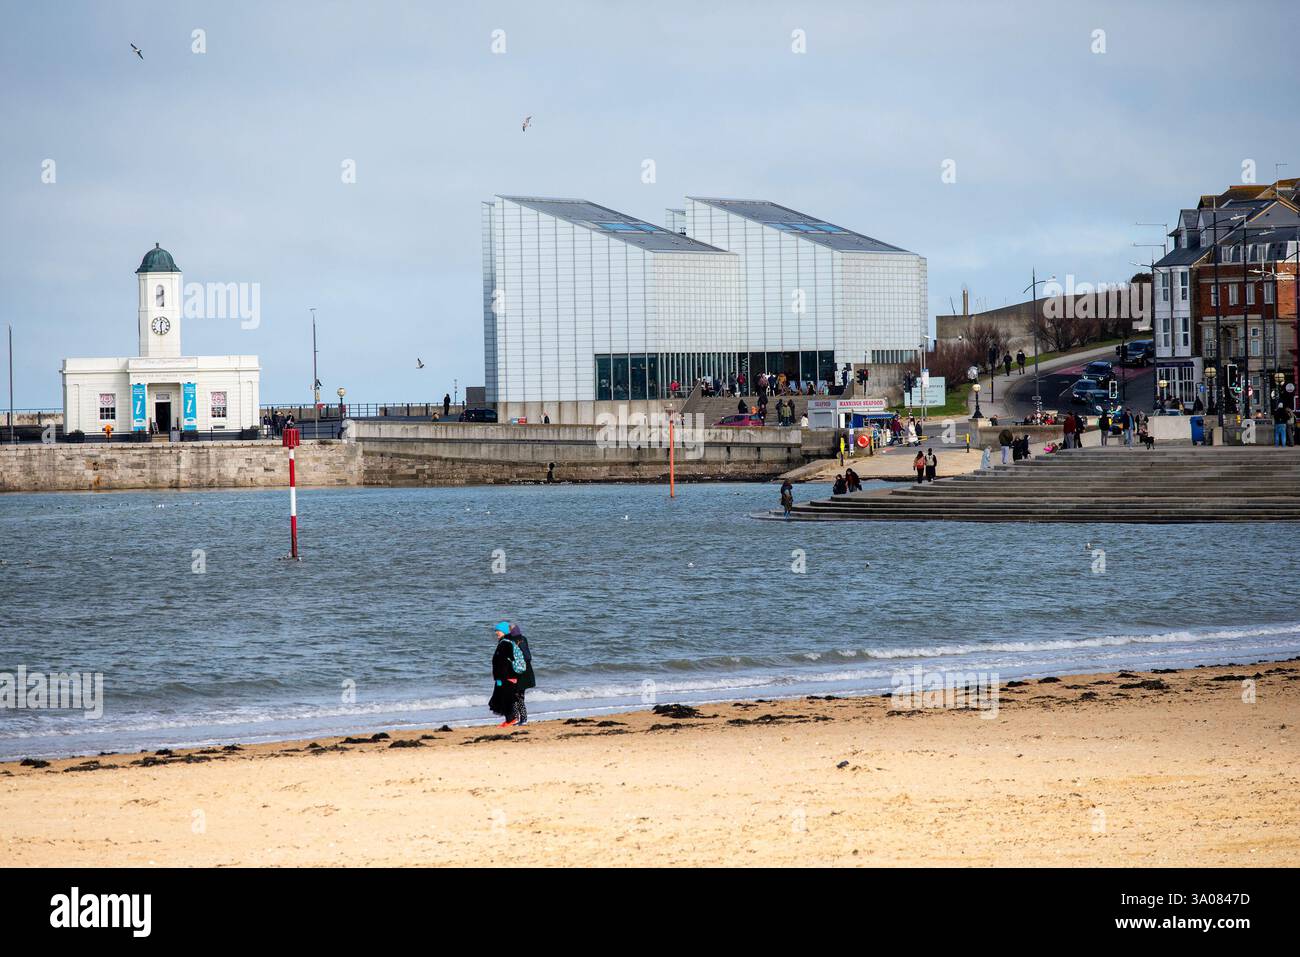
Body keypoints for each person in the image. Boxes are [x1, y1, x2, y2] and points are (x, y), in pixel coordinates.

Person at [489, 622, 526, 727]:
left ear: (504, 631)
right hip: (503, 677)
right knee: (503, 698)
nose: (496, 632)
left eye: (498, 630)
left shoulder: (506, 644)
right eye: (496, 630)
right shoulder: (504, 642)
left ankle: (511, 720)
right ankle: (509, 719)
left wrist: (508, 677)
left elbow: (507, 662)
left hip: (506, 677)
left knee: (506, 698)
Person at [507, 623, 536, 725]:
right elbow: (528, 656)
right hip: (525, 670)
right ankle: (520, 718)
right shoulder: (523, 638)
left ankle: (521, 719)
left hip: (518, 671)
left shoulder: (512, 641)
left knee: (516, 696)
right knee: (519, 695)